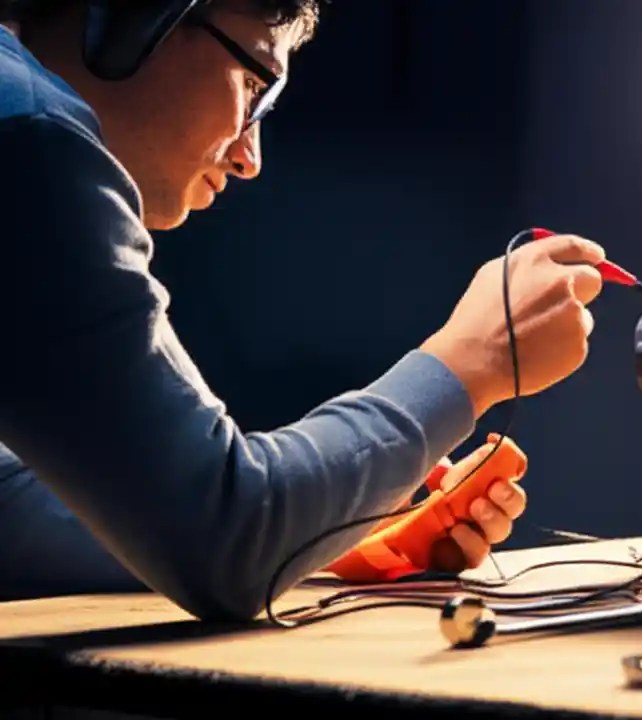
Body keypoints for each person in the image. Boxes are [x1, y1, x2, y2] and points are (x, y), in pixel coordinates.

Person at [0, 0, 605, 621]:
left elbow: (13, 520)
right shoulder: (27, 141)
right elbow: (223, 536)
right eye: (254, 84)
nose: (250, 157)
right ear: (137, 15)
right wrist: (472, 362)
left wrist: (324, 538)